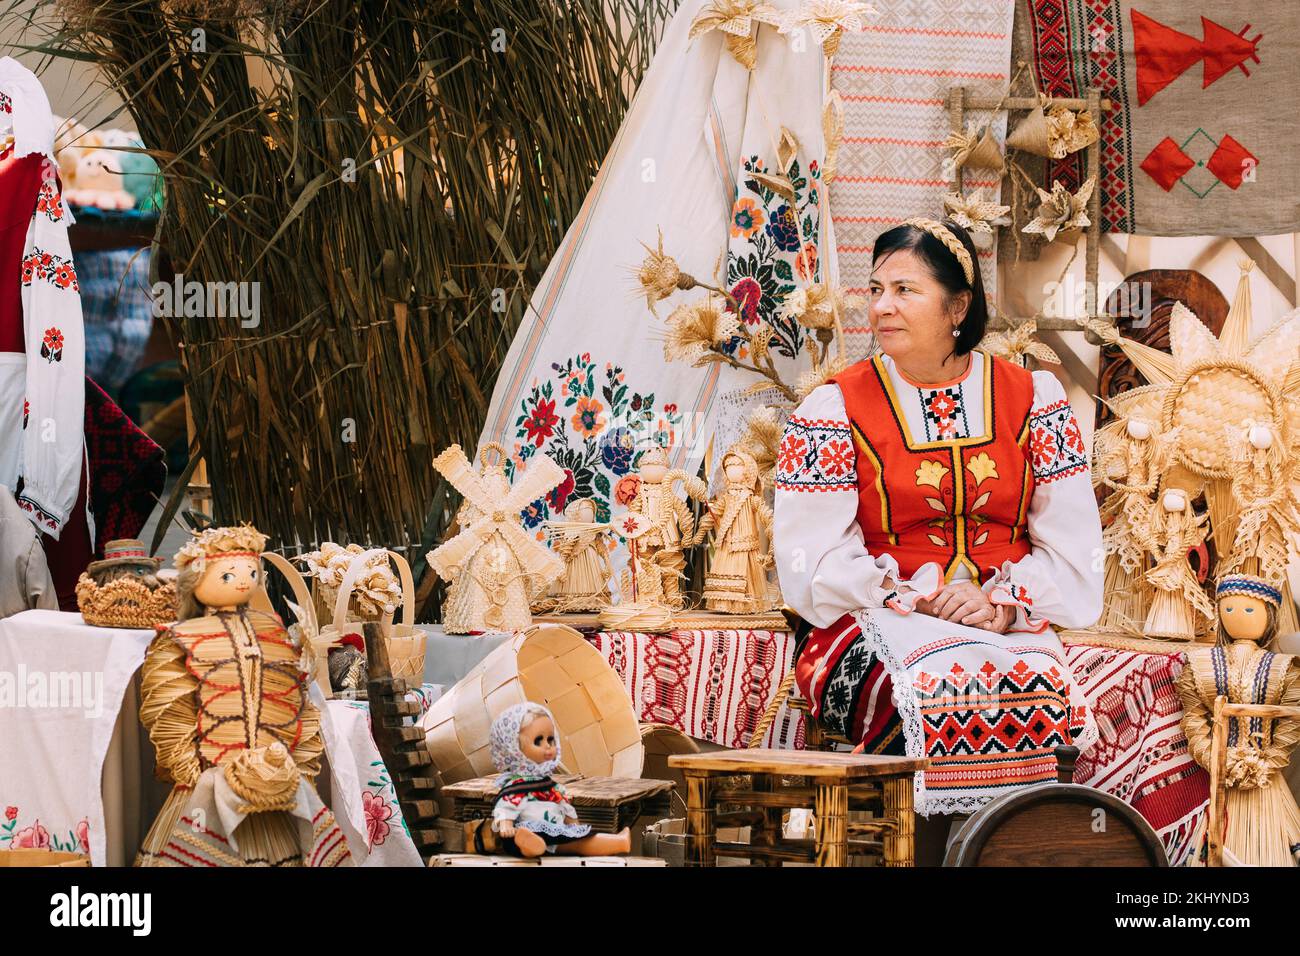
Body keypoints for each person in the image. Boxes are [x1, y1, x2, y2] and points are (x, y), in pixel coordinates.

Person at [774, 218, 1102, 816]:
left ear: (959, 306)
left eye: (905, 290)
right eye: (875, 290)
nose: (881, 308)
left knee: (1052, 698)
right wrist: (912, 595)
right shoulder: (834, 406)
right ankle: (926, 848)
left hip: (1008, 620)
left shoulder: (1035, 399)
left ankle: (1018, 850)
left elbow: (1075, 553)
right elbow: (811, 564)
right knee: (934, 694)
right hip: (872, 619)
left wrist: (1004, 603)